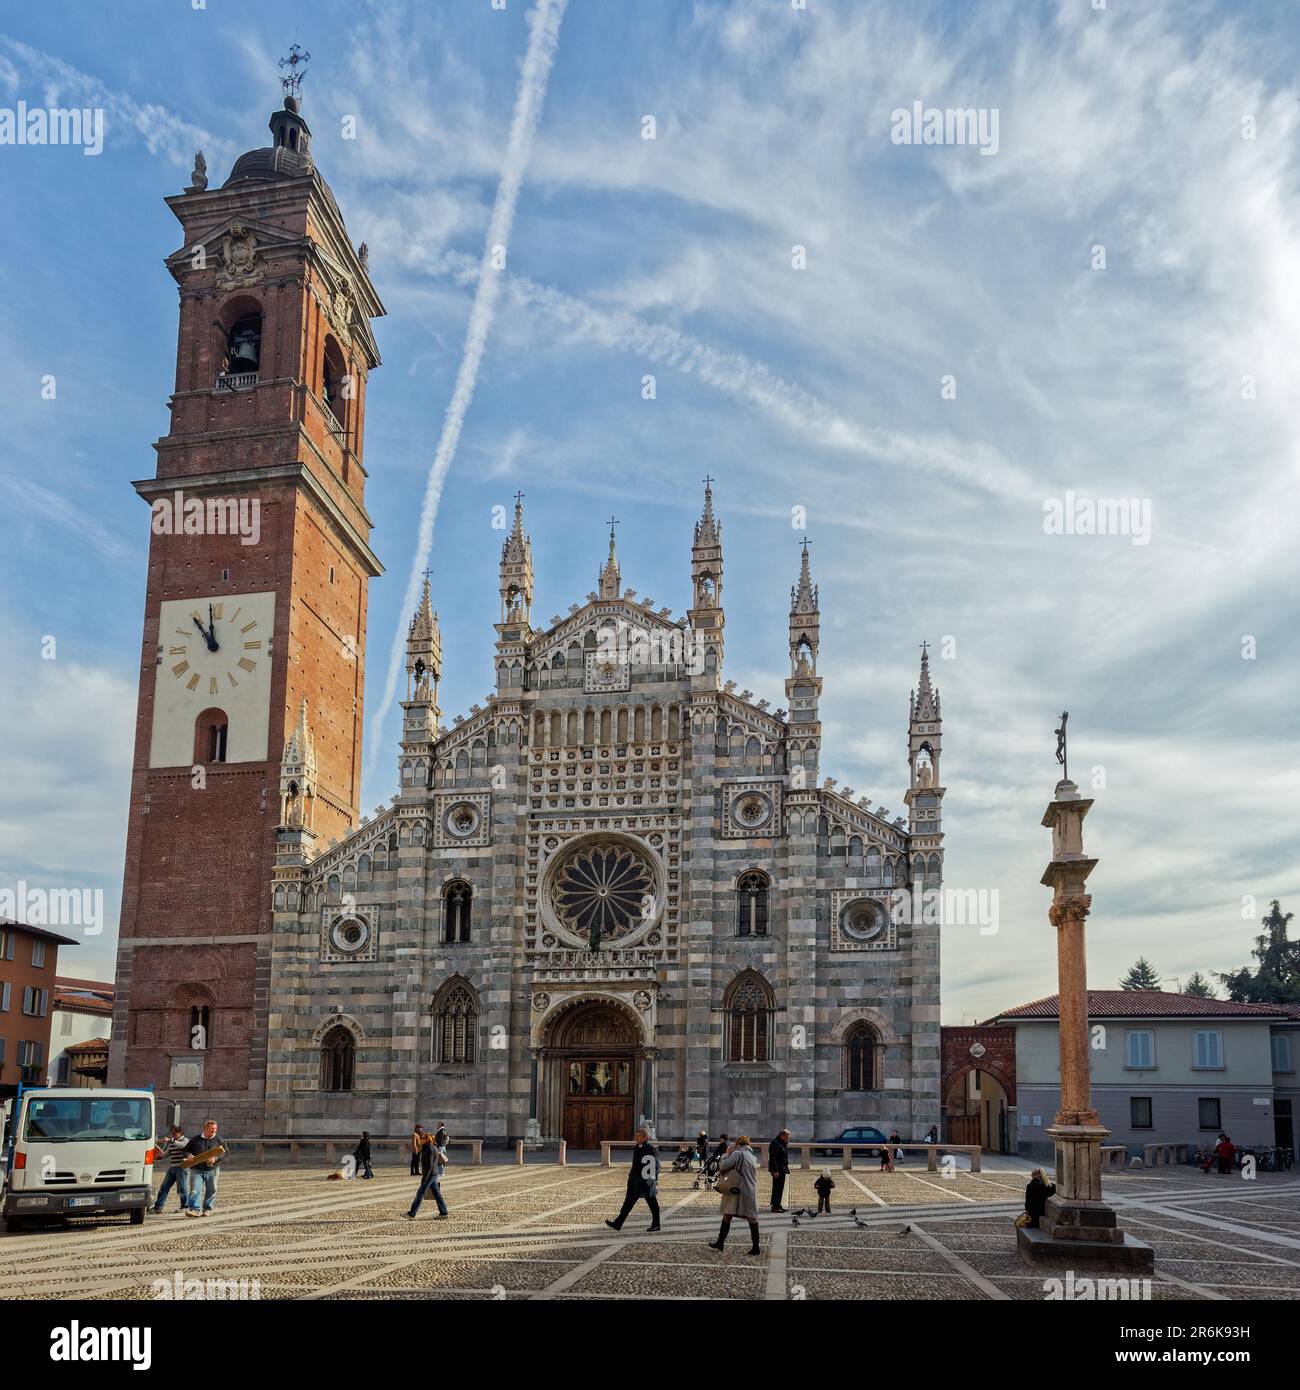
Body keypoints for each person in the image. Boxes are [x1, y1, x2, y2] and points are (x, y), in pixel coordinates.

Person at [708, 1136, 760, 1255]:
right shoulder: (752, 1156)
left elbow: (723, 1166)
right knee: (733, 1215)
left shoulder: (737, 1154)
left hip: (737, 1189)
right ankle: (720, 1242)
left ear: (738, 1144)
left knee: (744, 1217)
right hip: (748, 1189)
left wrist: (726, 1154)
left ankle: (755, 1247)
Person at [605, 1128, 661, 1233]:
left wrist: (654, 1178)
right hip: (634, 1181)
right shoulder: (637, 1147)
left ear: (645, 1137)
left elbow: (656, 1165)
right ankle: (618, 1223)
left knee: (653, 1204)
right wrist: (631, 1176)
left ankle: (656, 1224)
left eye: (639, 1136)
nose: (636, 1137)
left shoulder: (650, 1149)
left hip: (646, 1181)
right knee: (628, 1203)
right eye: (636, 1135)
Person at [404, 1126, 449, 1220]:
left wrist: (424, 1178)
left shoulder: (429, 1149)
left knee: (420, 1193)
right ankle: (444, 1212)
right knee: (437, 1194)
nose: (421, 1140)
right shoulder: (432, 1147)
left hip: (430, 1174)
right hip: (434, 1174)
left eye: (422, 1139)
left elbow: (429, 1165)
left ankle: (411, 1214)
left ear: (426, 1140)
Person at [183, 1119, 225, 1217]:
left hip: (213, 1169)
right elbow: (185, 1151)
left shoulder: (219, 1139)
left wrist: (215, 1158)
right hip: (196, 1169)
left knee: (211, 1189)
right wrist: (189, 1155)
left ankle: (207, 1209)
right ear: (205, 1128)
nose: (213, 1131)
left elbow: (224, 1152)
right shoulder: (195, 1139)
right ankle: (195, 1210)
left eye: (215, 1129)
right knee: (195, 1189)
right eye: (211, 1129)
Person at [148, 1124, 190, 1215]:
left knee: (182, 1188)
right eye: (172, 1133)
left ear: (180, 1132)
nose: (173, 1134)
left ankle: (185, 1206)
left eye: (175, 1133)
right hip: (173, 1167)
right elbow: (167, 1154)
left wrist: (171, 1140)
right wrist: (159, 1156)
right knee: (164, 1187)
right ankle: (158, 1207)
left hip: (182, 1168)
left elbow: (182, 1146)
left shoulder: (185, 1140)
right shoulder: (173, 1142)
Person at [768, 1128, 791, 1212]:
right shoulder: (775, 1143)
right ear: (782, 1135)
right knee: (777, 1188)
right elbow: (773, 1158)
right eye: (786, 1137)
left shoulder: (781, 1143)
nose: (788, 1139)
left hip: (782, 1169)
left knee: (780, 1188)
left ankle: (778, 1204)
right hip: (778, 1169)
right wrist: (775, 1171)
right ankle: (775, 1206)